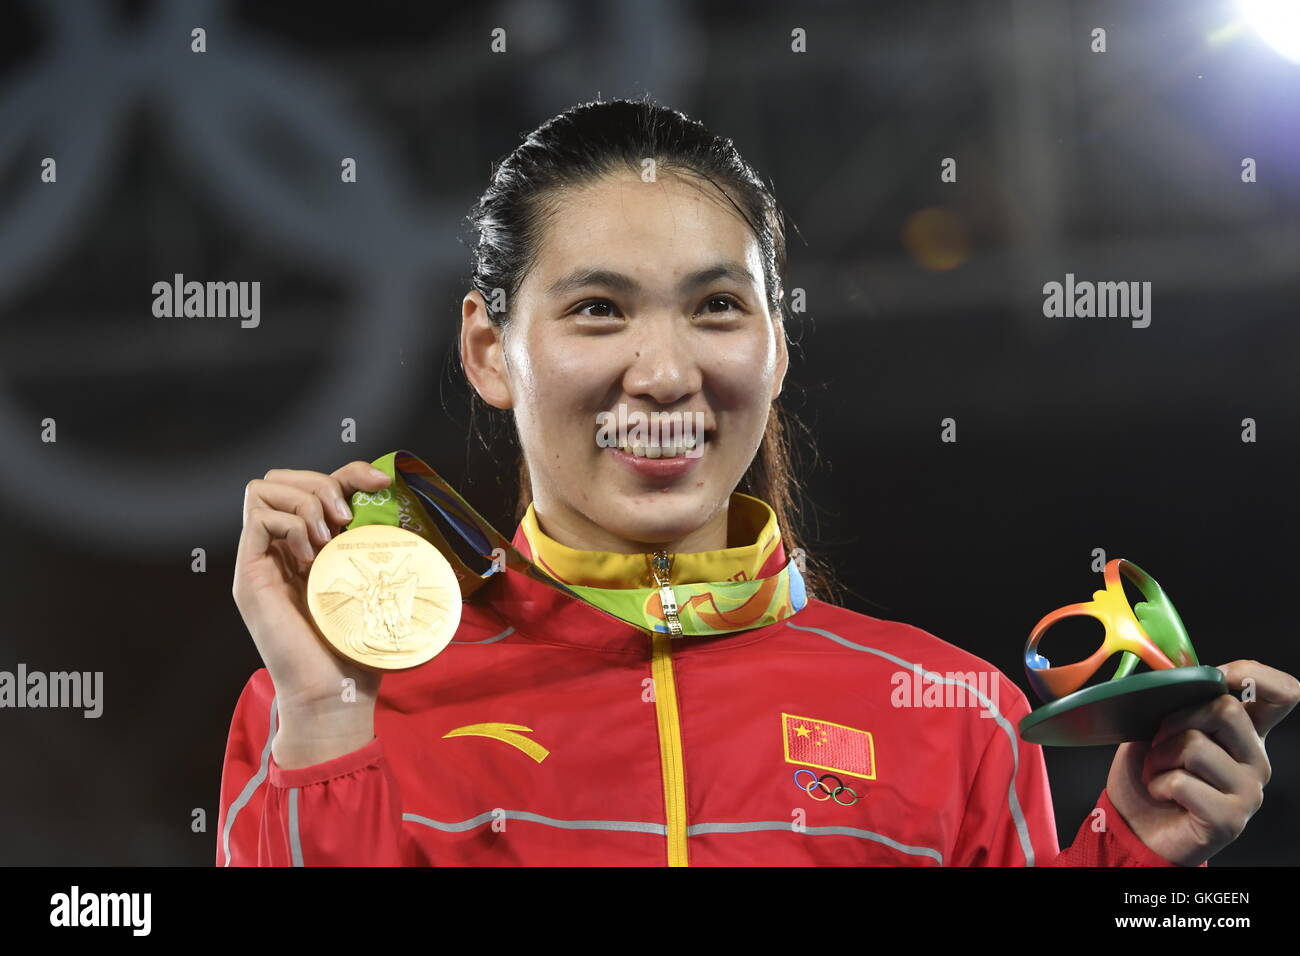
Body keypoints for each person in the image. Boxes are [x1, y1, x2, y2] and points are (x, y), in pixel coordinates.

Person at [217, 97, 1296, 866]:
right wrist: (325, 719)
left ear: (777, 347)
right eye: (599, 308)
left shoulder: (952, 712)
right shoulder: (325, 704)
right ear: (491, 351)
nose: (667, 368)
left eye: (717, 306)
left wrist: (1130, 860)